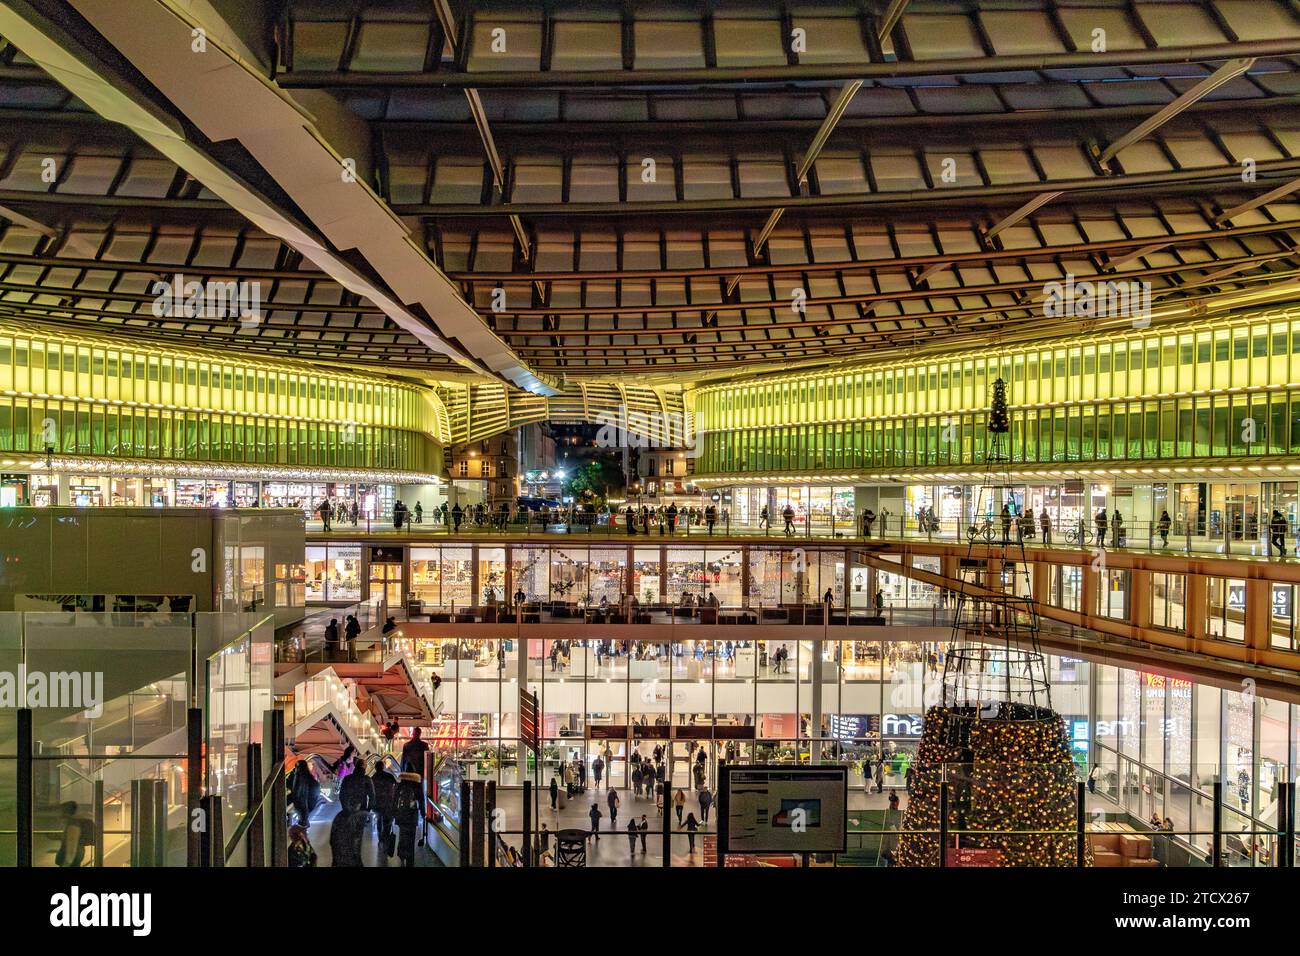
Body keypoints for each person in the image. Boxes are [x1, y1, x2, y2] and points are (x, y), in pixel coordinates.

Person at [394, 771, 423, 867]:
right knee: (411, 838)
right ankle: (410, 861)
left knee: (402, 836)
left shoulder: (400, 783)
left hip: (401, 814)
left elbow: (394, 798)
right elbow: (421, 800)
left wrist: (394, 812)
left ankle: (402, 857)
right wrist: (423, 813)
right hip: (412, 815)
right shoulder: (417, 784)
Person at [371, 763, 398, 860]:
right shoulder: (389, 776)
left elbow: (370, 790)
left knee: (379, 820)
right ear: (383, 767)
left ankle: (380, 838)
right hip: (388, 804)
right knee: (388, 822)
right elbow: (396, 784)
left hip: (377, 804)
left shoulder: (373, 777)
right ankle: (385, 838)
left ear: (375, 768)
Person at [55, 801, 92, 867]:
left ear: (66, 811)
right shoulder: (73, 823)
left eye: (61, 810)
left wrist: (66, 864)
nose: (59, 813)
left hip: (72, 859)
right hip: (77, 854)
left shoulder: (73, 825)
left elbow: (72, 847)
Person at [289, 758, 321, 828]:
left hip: (304, 808)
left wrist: (303, 819)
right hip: (307, 808)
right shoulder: (311, 780)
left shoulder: (300, 780)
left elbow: (301, 797)